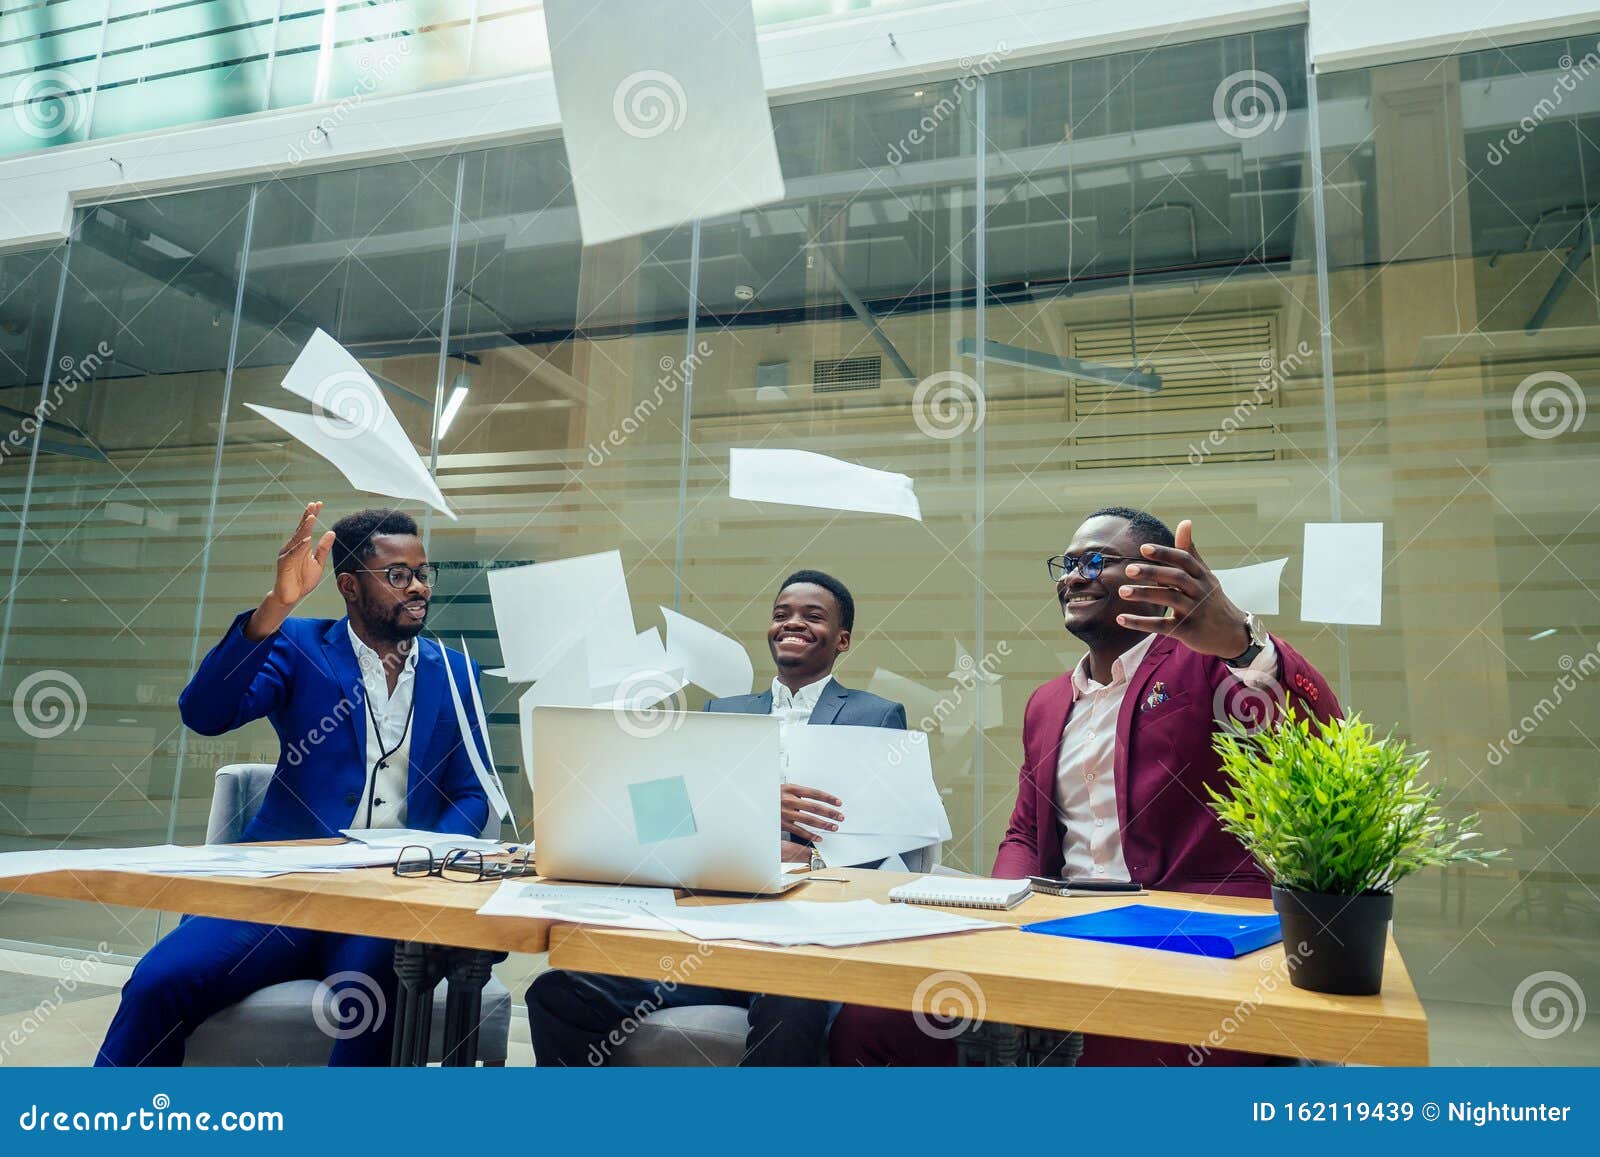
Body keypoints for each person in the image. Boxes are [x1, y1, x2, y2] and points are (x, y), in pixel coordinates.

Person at [830, 507, 1340, 1066]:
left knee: (1126, 1056)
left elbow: (1322, 739)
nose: (1074, 575)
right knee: (869, 1022)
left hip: (1183, 931)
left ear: (1155, 575)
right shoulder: (1047, 703)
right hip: (1056, 926)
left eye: (1097, 560)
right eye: (1068, 564)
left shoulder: (1212, 665)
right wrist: (1003, 915)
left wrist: (1243, 641)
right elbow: (1025, 831)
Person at [97, 503, 491, 1067]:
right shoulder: (300, 643)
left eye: (423, 573)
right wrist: (276, 607)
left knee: (375, 1001)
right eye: (398, 576)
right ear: (350, 586)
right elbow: (205, 714)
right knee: (158, 982)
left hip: (385, 899)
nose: (418, 588)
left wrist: (424, 862)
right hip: (279, 887)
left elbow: (472, 792)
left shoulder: (455, 672)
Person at [527, 569, 907, 1067]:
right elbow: (669, 823)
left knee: (792, 999)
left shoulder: (875, 715)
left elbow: (877, 847)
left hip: (802, 943)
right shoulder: (720, 713)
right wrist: (751, 807)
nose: (792, 623)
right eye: (781, 614)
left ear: (842, 640)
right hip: (709, 939)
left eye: (812, 617)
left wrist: (809, 862)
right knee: (557, 992)